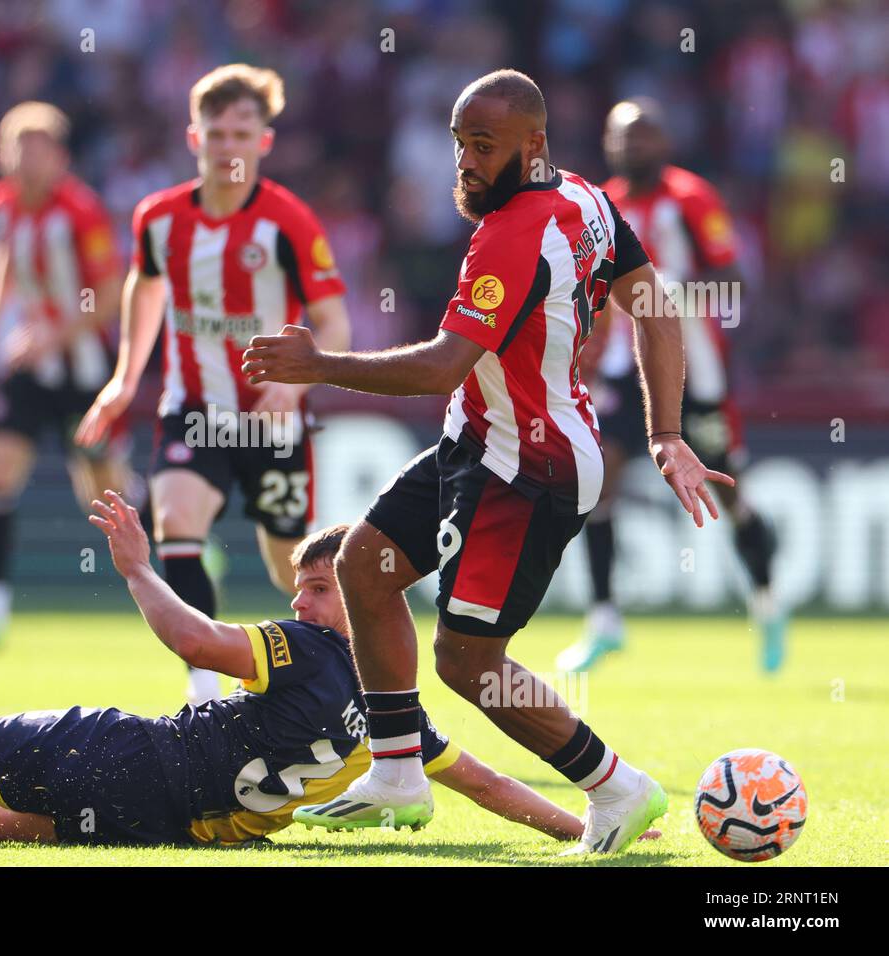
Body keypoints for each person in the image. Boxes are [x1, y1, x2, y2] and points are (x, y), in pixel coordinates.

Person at [241, 70, 733, 854]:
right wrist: (665, 434)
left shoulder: (514, 232)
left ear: (533, 144)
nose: (465, 162)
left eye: (484, 146)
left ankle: (617, 788)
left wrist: (318, 363)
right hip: (475, 441)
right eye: (460, 143)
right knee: (364, 566)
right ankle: (398, 774)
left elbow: (441, 365)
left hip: (530, 468)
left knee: (468, 661)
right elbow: (654, 303)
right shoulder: (587, 200)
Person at [0, 493, 648, 850]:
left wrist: (138, 566)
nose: (305, 601)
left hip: (124, 753)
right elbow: (480, 780)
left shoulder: (304, 649)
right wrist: (589, 821)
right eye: (308, 588)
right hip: (169, 826)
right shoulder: (395, 717)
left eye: (317, 586)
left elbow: (196, 643)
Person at [75, 64, 352, 705]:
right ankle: (204, 694)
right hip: (194, 407)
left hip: (272, 415)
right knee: (174, 521)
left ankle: (339, 685)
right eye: (216, 132)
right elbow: (144, 288)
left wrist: (302, 379)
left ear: (264, 142)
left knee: (294, 565)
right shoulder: (160, 218)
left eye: (241, 132)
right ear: (194, 137)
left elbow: (333, 315)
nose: (228, 145)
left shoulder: (288, 220)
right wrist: (123, 380)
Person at [555, 97, 785, 675]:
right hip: (624, 375)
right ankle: (605, 619)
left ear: (663, 142)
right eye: (623, 137)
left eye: (644, 136)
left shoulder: (691, 199)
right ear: (609, 143)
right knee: (596, 478)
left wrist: (666, 295)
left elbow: (733, 283)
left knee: (729, 492)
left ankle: (767, 602)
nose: (634, 147)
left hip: (694, 374)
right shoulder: (601, 206)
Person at [0, 102, 133, 646]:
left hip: (83, 372)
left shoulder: (82, 213)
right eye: (17, 147)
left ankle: (175, 541)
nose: (26, 160)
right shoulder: (1, 204)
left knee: (103, 494)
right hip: (30, 368)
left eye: (39, 149)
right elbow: (3, 259)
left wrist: (53, 333)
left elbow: (111, 297)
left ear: (61, 158)